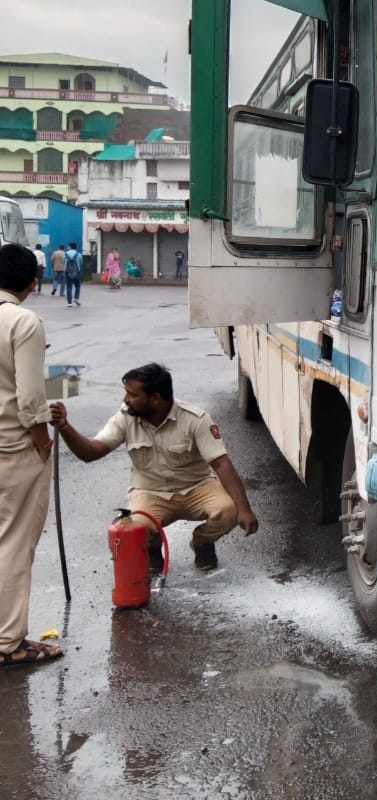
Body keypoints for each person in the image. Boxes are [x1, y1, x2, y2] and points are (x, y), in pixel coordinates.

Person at [50, 363, 258, 572]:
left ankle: (202, 542)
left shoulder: (195, 419)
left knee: (230, 510)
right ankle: (152, 546)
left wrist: (245, 509)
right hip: (150, 491)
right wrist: (65, 427)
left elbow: (221, 463)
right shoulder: (125, 418)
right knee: (135, 526)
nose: (125, 399)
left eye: (132, 394)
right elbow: (90, 453)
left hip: (196, 487)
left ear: (156, 398)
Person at [0, 244, 61, 667]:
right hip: (13, 446)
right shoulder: (23, 321)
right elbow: (30, 396)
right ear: (32, 282)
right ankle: (8, 642)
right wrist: (41, 438)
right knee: (14, 542)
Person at [62, 242, 82, 306]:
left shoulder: (65, 254)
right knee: (77, 286)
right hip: (77, 272)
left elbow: (64, 262)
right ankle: (76, 298)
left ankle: (69, 302)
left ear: (70, 247)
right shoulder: (78, 254)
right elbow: (81, 262)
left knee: (69, 287)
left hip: (68, 272)